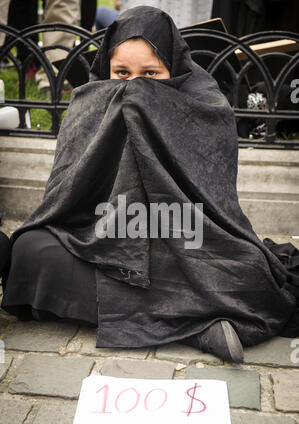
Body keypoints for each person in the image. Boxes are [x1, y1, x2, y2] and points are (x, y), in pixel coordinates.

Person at [1, 6, 299, 364]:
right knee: (31, 249)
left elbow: (215, 212)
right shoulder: (89, 104)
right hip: (98, 237)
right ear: (106, 71)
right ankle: (196, 322)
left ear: (174, 69)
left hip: (181, 242)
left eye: (151, 74)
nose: (136, 87)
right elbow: (65, 200)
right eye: (122, 73)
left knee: (249, 275)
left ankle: (192, 319)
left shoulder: (203, 105)